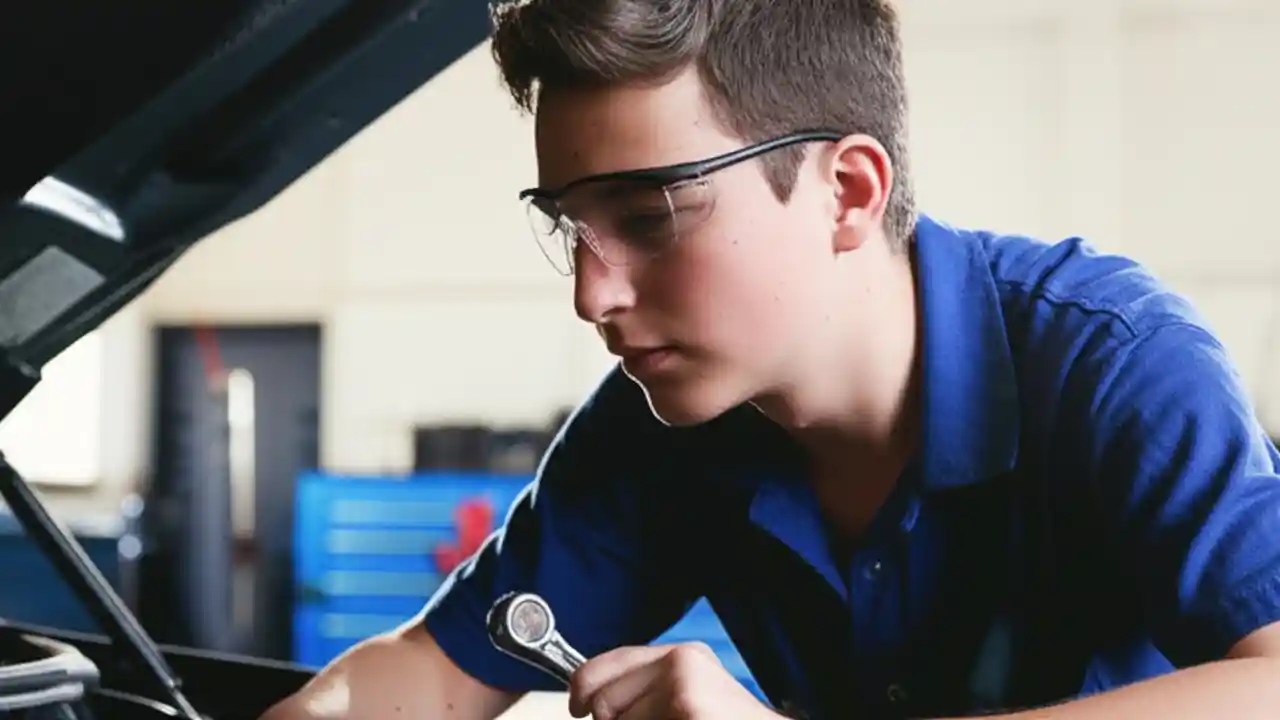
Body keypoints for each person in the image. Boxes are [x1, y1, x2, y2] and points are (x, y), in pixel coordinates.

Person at [262, 0, 1280, 718]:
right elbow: (426, 678)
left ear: (845, 191)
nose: (591, 294)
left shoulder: (1112, 366)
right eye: (572, 229)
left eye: (650, 214)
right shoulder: (653, 429)